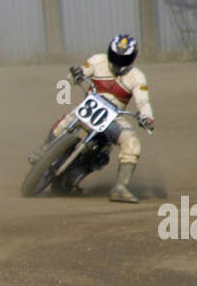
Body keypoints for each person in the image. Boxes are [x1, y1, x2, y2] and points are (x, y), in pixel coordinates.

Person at [29, 33, 154, 203]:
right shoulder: (97, 60)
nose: (117, 62)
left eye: (122, 59)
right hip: (89, 105)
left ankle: (120, 188)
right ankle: (44, 149)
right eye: (115, 56)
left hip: (113, 117)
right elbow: (75, 76)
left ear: (132, 58)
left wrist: (146, 118)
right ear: (109, 52)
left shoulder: (137, 77)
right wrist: (76, 74)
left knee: (132, 143)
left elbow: (143, 102)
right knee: (65, 122)